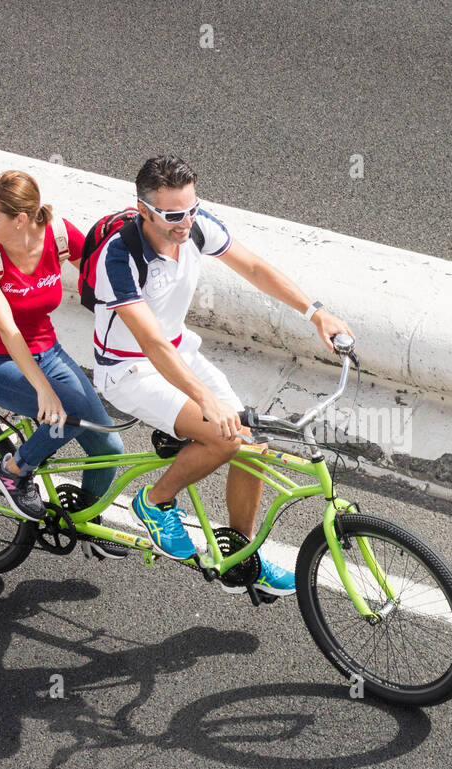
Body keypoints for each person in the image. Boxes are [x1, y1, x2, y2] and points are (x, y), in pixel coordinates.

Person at [90, 156, 354, 596]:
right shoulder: (118, 258)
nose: (185, 222)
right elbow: (151, 345)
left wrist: (316, 313)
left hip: (179, 353)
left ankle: (240, 556)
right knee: (225, 435)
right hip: (129, 369)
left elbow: (254, 268)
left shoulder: (196, 226)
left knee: (253, 446)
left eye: (191, 208)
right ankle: (153, 503)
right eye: (173, 215)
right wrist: (205, 401)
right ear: (143, 210)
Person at [0, 170, 127, 560]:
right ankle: (13, 471)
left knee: (109, 445)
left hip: (46, 349)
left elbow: (106, 279)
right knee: (63, 413)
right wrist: (44, 389)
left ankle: (85, 517)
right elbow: (6, 330)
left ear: (21, 219)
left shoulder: (58, 235)